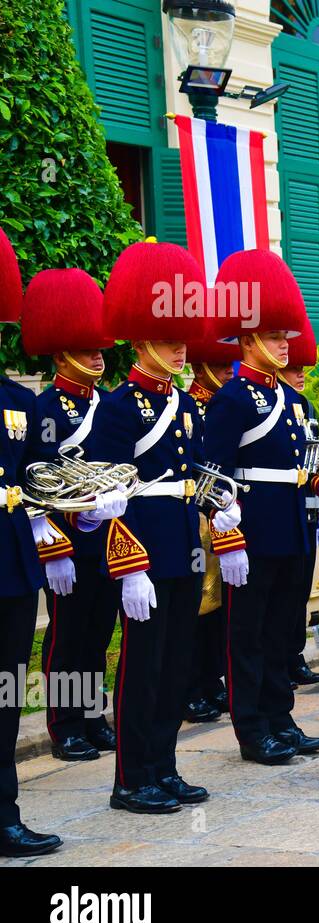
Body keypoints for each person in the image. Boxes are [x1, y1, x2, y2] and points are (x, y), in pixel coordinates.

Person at [87, 241, 241, 813]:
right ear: (141, 340)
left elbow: (196, 474)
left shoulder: (186, 405)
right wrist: (129, 567)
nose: (181, 350)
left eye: (183, 340)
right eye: (170, 340)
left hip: (183, 546)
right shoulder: (119, 407)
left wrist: (220, 507)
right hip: (145, 552)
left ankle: (165, 765)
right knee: (142, 666)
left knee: (175, 663)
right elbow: (104, 494)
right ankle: (131, 778)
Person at [203, 251, 319, 765]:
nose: (287, 344)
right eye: (276, 336)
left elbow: (303, 467)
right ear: (248, 339)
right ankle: (252, 726)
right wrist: (228, 536)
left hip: (295, 525)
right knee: (248, 632)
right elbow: (209, 475)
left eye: (287, 335)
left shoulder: (295, 402)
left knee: (284, 628)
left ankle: (281, 716)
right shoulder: (233, 399)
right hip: (254, 529)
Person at [21, 269, 123, 762]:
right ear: (62, 355)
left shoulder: (107, 403)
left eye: (99, 349)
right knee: (68, 632)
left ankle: (90, 714)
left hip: (105, 532)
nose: (98, 357)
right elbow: (34, 478)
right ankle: (65, 725)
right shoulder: (44, 408)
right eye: (87, 351)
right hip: (65, 535)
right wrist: (51, 545)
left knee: (100, 626)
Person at [0, 228, 64, 856]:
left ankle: (4, 813)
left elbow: (42, 477)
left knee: (5, 691)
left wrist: (82, 509)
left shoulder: (17, 401)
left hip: (12, 559)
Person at [181, 317, 239, 722]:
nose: (226, 373)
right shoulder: (193, 404)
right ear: (201, 368)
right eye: (220, 367)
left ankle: (210, 679)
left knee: (216, 604)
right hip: (193, 516)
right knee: (195, 604)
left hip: (214, 515)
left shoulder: (215, 403)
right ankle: (191, 685)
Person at [277, 317, 319, 690]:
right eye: (294, 368)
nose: (299, 374)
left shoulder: (302, 407)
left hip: (302, 508)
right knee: (78, 632)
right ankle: (74, 712)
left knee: (297, 593)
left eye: (302, 368)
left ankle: (292, 656)